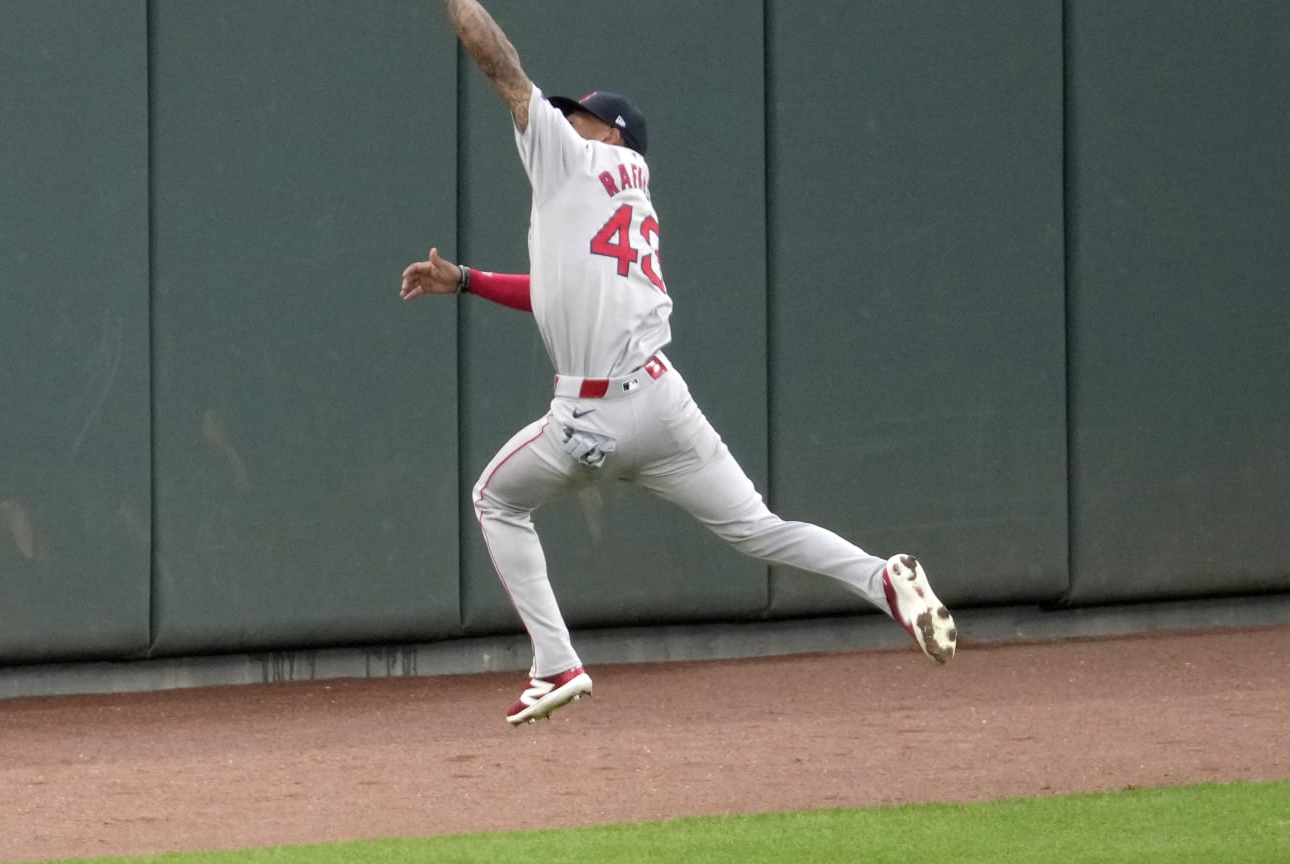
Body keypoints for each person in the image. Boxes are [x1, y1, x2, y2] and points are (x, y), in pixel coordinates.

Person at [405, 0, 956, 726]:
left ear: (610, 134)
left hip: (592, 414)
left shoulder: (570, 158)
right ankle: (882, 579)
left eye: (582, 115)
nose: (566, 120)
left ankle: (555, 663)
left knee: (495, 500)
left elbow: (497, 61)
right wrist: (471, 280)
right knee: (761, 528)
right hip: (662, 404)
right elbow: (560, 292)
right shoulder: (629, 192)